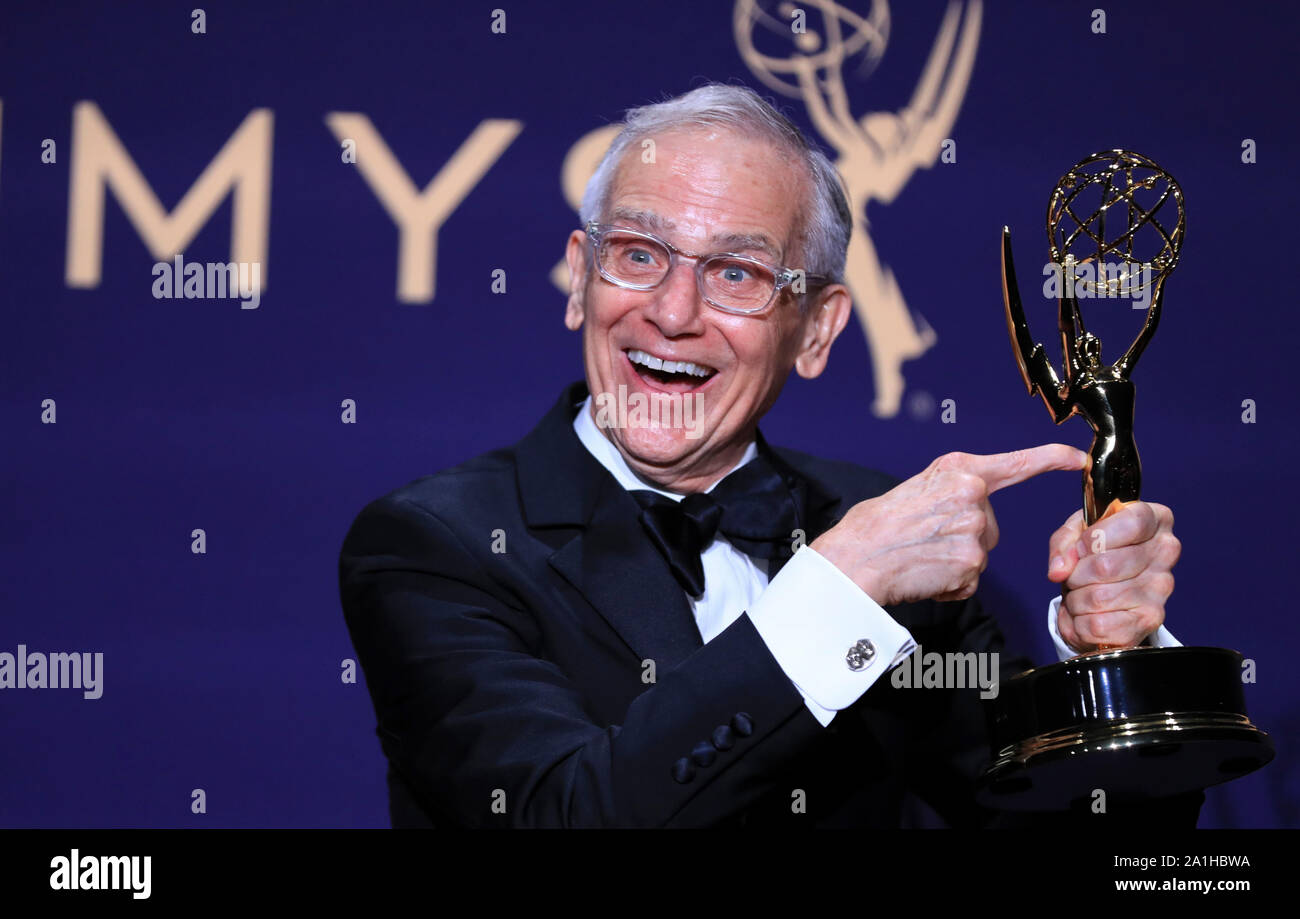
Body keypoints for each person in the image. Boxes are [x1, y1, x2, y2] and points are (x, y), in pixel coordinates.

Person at [338, 83, 1192, 828]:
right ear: (580, 279)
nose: (674, 312)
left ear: (816, 329)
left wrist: (1113, 660)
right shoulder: (432, 545)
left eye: (737, 273)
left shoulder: (888, 540)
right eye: (639, 255)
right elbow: (563, 811)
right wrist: (834, 591)